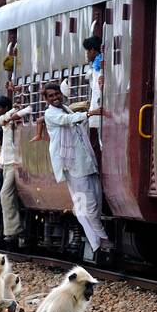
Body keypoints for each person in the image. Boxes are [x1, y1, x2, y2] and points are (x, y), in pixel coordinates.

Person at [41, 82, 112, 258]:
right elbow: (66, 121)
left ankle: (98, 239)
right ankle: (102, 240)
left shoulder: (66, 108)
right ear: (46, 99)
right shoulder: (50, 114)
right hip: (72, 165)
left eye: (57, 94)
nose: (55, 97)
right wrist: (90, 112)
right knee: (90, 206)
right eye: (51, 96)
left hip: (86, 162)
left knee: (95, 201)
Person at [0, 95, 26, 244]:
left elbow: (27, 110)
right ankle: (12, 228)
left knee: (5, 194)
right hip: (6, 164)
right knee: (3, 192)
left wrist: (14, 113)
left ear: (5, 107)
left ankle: (13, 230)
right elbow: (0, 121)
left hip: (12, 164)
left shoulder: (9, 119)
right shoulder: (3, 121)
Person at [83, 35, 104, 154]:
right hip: (96, 109)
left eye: (87, 51)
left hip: (98, 109)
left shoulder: (100, 65)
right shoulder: (96, 66)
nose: (87, 54)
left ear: (92, 50)